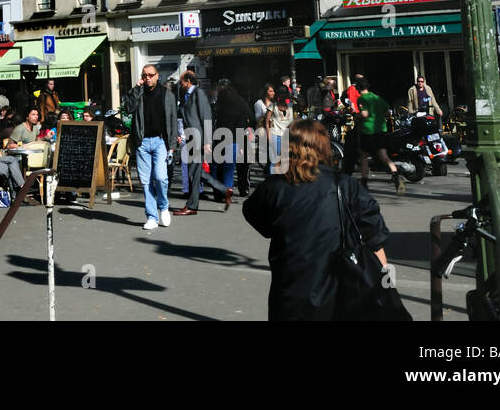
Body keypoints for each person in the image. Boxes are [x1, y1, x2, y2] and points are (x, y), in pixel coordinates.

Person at [243, 119, 390, 320]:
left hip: (288, 294)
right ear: (323, 146)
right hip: (339, 294)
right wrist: (386, 288)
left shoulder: (274, 187)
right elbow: (375, 240)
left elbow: (253, 214)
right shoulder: (345, 185)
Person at [123, 63, 179, 229]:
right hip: (142, 142)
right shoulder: (139, 93)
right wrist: (136, 89)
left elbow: (172, 120)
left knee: (161, 178)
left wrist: (172, 144)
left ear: (157, 76)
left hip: (160, 141)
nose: (147, 78)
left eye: (150, 75)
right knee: (146, 181)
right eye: (144, 75)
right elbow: (128, 108)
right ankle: (152, 217)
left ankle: (163, 207)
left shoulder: (167, 95)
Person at [174, 71, 231, 215]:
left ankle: (192, 206)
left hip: (198, 137)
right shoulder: (186, 95)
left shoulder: (198, 93)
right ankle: (225, 190)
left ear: (188, 80)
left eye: (181, 81)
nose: (180, 84)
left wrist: (207, 142)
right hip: (190, 136)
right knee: (196, 172)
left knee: (193, 173)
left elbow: (206, 116)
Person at [351, 77, 404, 195]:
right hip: (381, 130)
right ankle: (396, 177)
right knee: (384, 157)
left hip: (368, 131)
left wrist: (357, 116)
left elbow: (364, 114)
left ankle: (364, 183)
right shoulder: (377, 98)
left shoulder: (362, 99)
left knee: (363, 157)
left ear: (358, 88)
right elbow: (387, 111)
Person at [265, 85, 294, 176]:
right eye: (281, 93)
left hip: (287, 136)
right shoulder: (272, 106)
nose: (282, 95)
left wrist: (293, 97)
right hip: (275, 135)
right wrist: (269, 136)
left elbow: (302, 103)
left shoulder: (291, 105)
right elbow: (266, 122)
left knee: (286, 161)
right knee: (274, 161)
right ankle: (271, 181)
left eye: (284, 93)